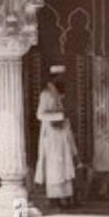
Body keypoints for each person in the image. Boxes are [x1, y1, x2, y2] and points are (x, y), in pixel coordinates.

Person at [35, 65, 80, 209]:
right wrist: (59, 116)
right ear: (54, 78)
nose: (63, 80)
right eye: (60, 77)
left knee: (65, 167)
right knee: (55, 168)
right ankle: (55, 199)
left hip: (61, 136)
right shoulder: (46, 94)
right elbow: (40, 115)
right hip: (52, 137)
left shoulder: (57, 94)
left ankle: (66, 198)